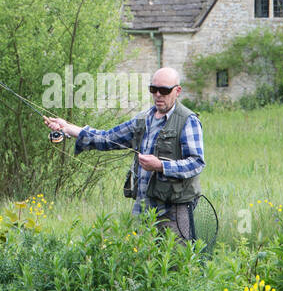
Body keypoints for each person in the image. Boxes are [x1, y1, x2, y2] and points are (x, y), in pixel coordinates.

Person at [43, 66, 205, 241]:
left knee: (175, 263)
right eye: (153, 89)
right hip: (144, 209)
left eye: (164, 90)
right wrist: (67, 127)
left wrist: (160, 166)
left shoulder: (188, 121)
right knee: (141, 262)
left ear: (177, 91)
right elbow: (107, 138)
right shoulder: (143, 119)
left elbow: (196, 163)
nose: (158, 94)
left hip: (174, 210)